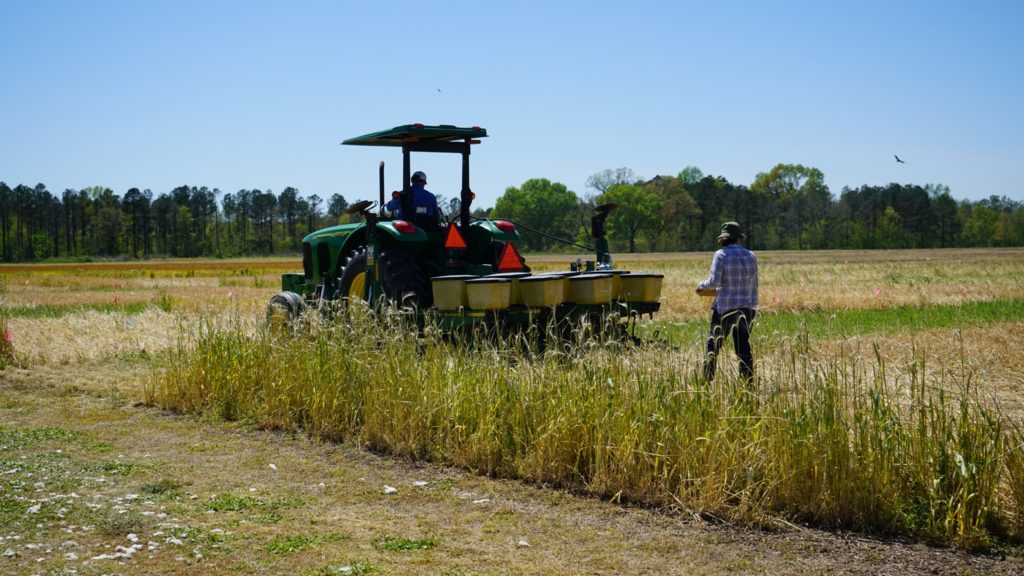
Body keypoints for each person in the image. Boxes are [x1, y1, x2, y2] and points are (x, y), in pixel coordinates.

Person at [695, 221, 758, 384]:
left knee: (713, 346)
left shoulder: (721, 255)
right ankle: (748, 383)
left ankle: (706, 382)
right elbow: (754, 285)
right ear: (738, 238)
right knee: (743, 348)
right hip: (747, 308)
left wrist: (700, 286)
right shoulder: (751, 256)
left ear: (723, 238)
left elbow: (714, 282)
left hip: (725, 308)